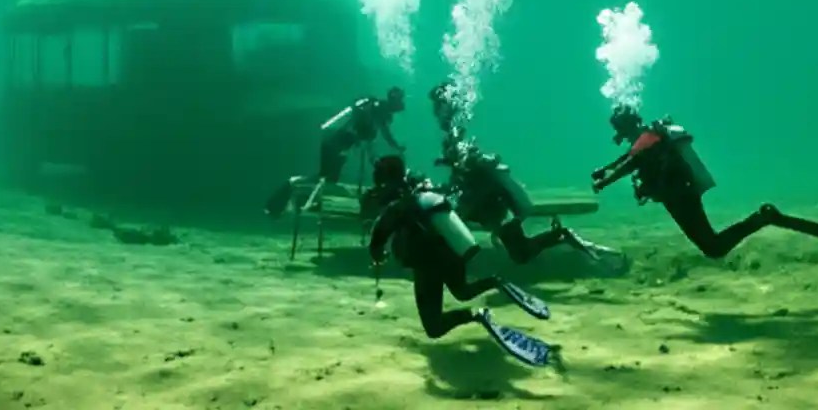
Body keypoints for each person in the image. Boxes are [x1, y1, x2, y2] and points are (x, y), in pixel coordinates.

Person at [590, 105, 818, 258]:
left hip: (680, 195)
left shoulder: (647, 138)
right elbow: (631, 156)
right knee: (712, 246)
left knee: (713, 247)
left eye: (619, 128)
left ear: (625, 126)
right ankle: (763, 218)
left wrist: (605, 182)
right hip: (678, 194)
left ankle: (764, 217)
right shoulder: (648, 136)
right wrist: (605, 168)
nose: (618, 133)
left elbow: (633, 162)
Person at [367, 155, 556, 367]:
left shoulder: (396, 205)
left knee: (434, 327)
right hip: (452, 254)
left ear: (383, 180)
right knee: (462, 291)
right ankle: (495, 281)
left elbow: (378, 237)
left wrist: (377, 254)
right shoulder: (420, 187)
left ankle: (477, 315)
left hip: (427, 265)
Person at [429, 81, 625, 270]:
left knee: (520, 254)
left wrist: (458, 164)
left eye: (438, 107)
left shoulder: (456, 139)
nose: (436, 113)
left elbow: (473, 162)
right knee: (519, 252)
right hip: (487, 206)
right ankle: (573, 241)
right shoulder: (453, 139)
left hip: (494, 206)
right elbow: (466, 170)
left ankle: (571, 239)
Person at [263, 87, 406, 217]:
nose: (389, 120)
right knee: (325, 176)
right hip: (334, 141)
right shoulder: (370, 110)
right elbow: (372, 137)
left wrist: (393, 149)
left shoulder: (374, 114)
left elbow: (381, 136)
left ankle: (294, 198)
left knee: (328, 178)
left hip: (336, 143)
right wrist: (381, 155)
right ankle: (294, 192)